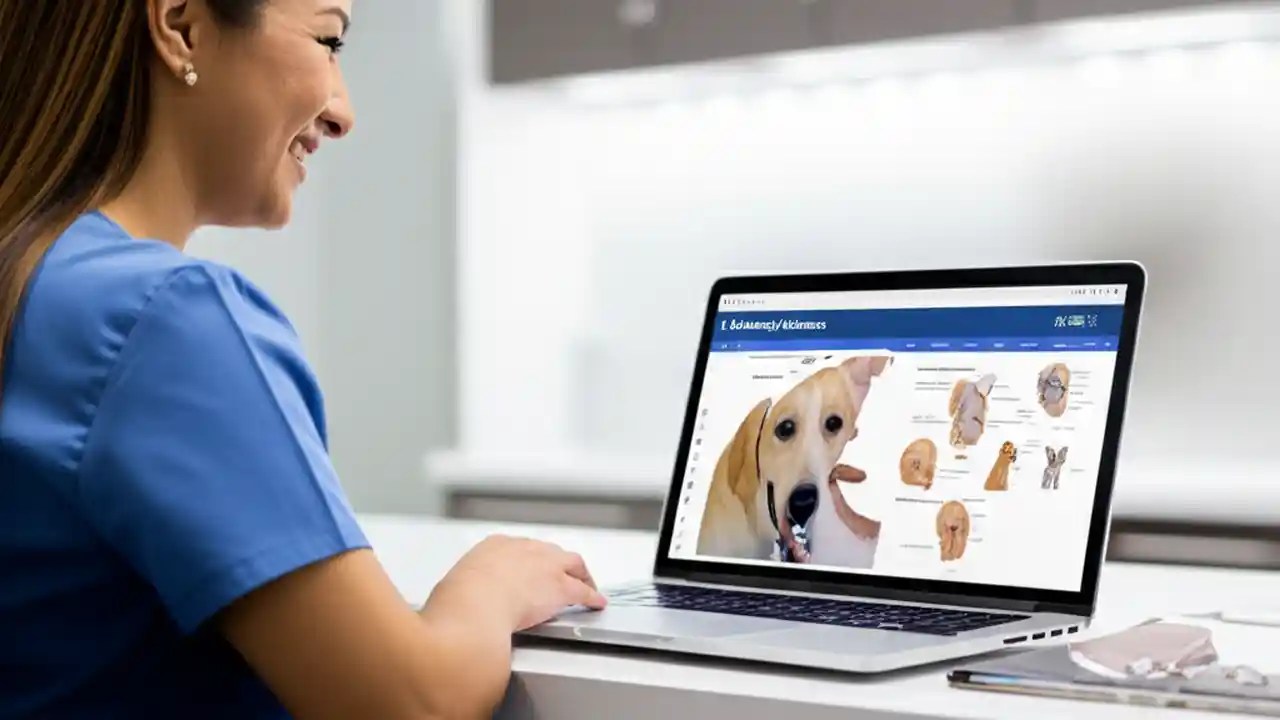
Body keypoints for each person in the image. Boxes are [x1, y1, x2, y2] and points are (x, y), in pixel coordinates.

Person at [0, 1, 607, 717]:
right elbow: (410, 706)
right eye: (328, 40)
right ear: (181, 26)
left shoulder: (36, 289)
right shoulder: (166, 319)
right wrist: (489, 585)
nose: (344, 112)